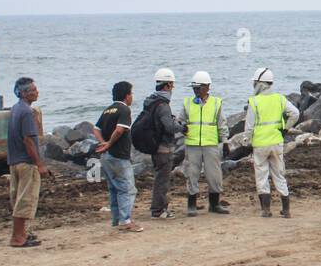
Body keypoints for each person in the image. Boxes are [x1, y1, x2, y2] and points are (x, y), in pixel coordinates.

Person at [245, 67, 299, 218]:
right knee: (279, 175)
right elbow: (295, 113)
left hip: (261, 144)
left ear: (260, 84)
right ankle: (286, 210)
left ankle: (266, 209)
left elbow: (249, 127)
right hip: (276, 142)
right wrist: (285, 129)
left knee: (262, 176)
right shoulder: (279, 98)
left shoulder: (254, 102)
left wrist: (246, 142)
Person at [6, 76, 51, 247]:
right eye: (32, 90)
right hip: (26, 162)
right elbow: (28, 140)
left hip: (15, 161)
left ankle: (22, 234)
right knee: (25, 200)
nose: (36, 92)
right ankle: (18, 238)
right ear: (23, 93)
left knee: (18, 198)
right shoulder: (26, 112)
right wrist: (39, 164)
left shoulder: (16, 109)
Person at [93, 81, 142, 233]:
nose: (132, 97)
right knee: (127, 189)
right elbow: (120, 130)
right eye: (131, 94)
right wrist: (109, 144)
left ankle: (116, 219)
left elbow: (95, 128)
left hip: (106, 156)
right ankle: (125, 220)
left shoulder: (108, 110)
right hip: (118, 155)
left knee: (114, 188)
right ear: (127, 95)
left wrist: (103, 142)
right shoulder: (124, 110)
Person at [180, 71, 229, 217]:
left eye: (198, 88)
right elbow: (180, 120)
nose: (195, 91)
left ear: (207, 87)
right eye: (194, 88)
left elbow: (222, 124)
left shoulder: (216, 103)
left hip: (210, 144)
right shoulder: (188, 102)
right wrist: (181, 127)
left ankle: (214, 204)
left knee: (214, 174)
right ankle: (191, 205)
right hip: (193, 144)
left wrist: (225, 142)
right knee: (192, 174)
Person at [145, 67, 186, 219]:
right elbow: (169, 126)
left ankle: (158, 209)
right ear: (167, 85)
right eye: (172, 85)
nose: (172, 88)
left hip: (155, 147)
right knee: (162, 181)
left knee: (159, 178)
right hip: (163, 148)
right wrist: (182, 128)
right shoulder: (163, 105)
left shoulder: (151, 101)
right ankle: (158, 210)